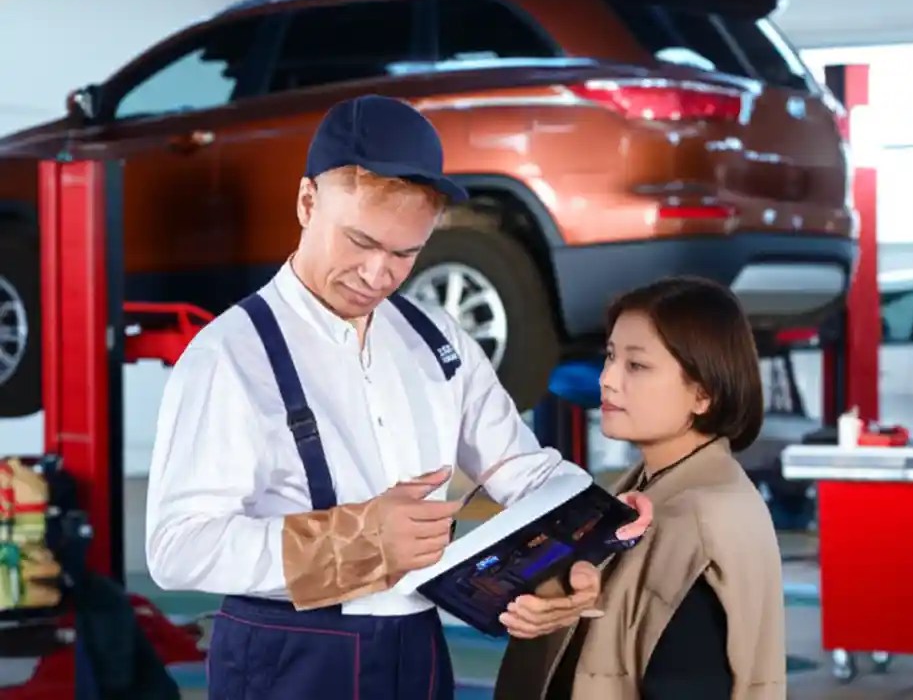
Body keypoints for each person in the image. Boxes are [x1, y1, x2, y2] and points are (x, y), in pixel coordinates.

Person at [143, 94, 652, 700]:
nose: (378, 274)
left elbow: (524, 470)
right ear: (307, 203)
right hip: (289, 658)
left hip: (417, 648)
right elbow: (176, 548)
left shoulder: (439, 340)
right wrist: (355, 541)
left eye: (405, 253)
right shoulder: (229, 354)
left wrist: (576, 558)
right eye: (359, 241)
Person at [494, 276, 788, 700]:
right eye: (609, 357)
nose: (608, 379)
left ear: (702, 394)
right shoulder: (645, 487)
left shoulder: (701, 519)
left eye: (636, 365)